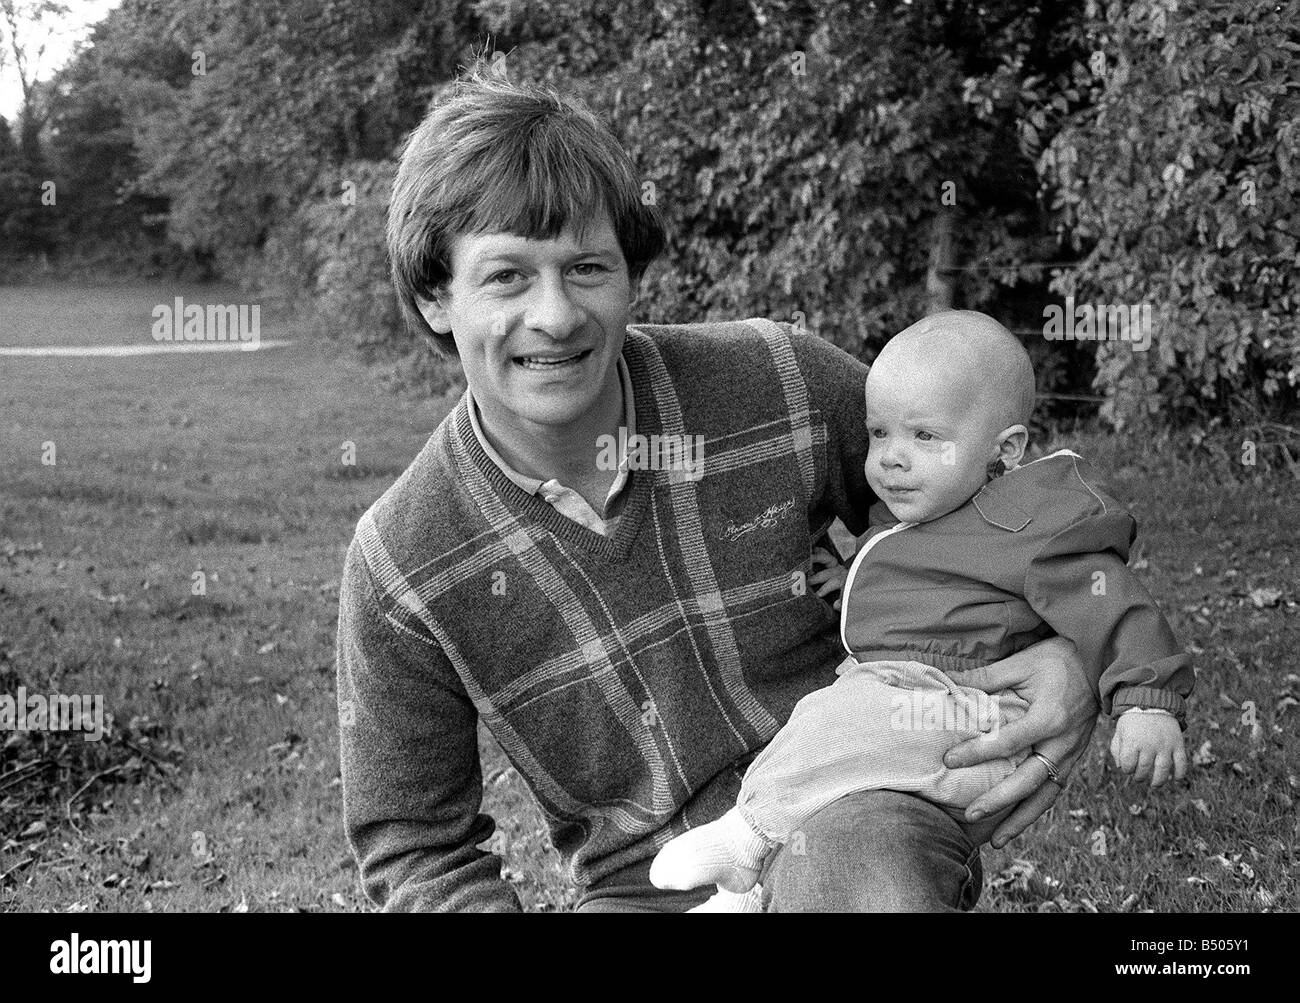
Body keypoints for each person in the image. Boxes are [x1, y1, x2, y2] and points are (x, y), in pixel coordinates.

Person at [335, 67, 1100, 913]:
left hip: (848, 809)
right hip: (643, 888)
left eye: (586, 266)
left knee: (858, 876)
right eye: (507, 276)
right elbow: (416, 846)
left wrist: (1071, 656)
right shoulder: (400, 561)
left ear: (631, 275)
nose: (555, 315)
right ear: (437, 296)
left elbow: (1009, 509)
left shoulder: (777, 380)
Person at [649, 311, 1194, 911]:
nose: (891, 458)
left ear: (1005, 450)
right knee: (824, 721)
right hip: (912, 694)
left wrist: (1146, 701)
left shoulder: (1032, 524)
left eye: (924, 437)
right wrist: (850, 574)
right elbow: (915, 576)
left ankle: (746, 837)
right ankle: (752, 894)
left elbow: (1115, 603)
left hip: (968, 713)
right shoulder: (937, 514)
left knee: (839, 726)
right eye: (878, 434)